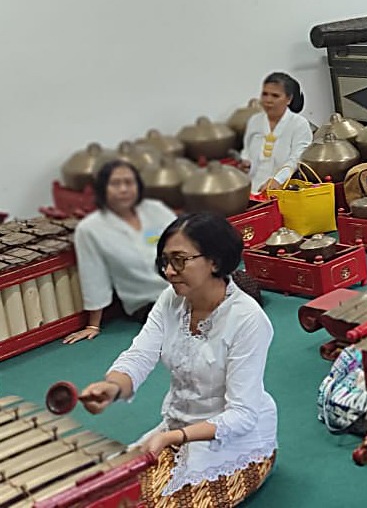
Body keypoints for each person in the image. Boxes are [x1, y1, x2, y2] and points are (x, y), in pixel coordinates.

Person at [78, 212, 277, 507]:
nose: (170, 271)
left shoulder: (248, 320)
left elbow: (242, 416)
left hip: (232, 440)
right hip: (175, 428)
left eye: (180, 260)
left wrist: (175, 438)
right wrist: (113, 387)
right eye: (165, 261)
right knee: (104, 492)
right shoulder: (171, 300)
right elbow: (140, 354)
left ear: (215, 261)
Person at [65, 160, 176, 343]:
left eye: (129, 182)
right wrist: (93, 324)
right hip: (150, 302)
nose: (124, 189)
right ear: (102, 189)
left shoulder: (155, 209)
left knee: (234, 290)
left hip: (189, 285)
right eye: (115, 184)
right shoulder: (90, 229)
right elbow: (93, 277)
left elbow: (187, 243)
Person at [239, 72, 312, 195]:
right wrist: (244, 162)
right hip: (249, 187)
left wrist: (278, 180)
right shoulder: (254, 120)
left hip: (283, 189)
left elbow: (297, 159)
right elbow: (246, 150)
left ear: (288, 99)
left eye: (275, 96)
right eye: (265, 94)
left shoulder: (299, 124)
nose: (268, 100)